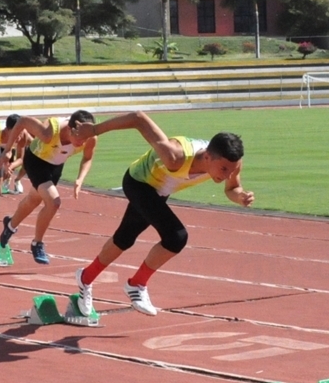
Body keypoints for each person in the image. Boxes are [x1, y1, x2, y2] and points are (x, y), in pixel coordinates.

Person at [69, 111, 253, 316]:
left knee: (124, 238)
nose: (227, 175)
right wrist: (94, 130)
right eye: (224, 169)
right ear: (208, 156)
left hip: (160, 191)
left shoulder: (230, 164)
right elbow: (138, 118)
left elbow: (231, 188)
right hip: (138, 182)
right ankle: (137, 284)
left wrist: (241, 197)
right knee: (176, 236)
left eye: (231, 170)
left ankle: (85, 278)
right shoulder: (175, 156)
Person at [0, 110, 97, 264]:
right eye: (80, 139)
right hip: (36, 161)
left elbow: (88, 158)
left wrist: (80, 179)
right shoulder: (50, 130)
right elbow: (22, 121)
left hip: (55, 165)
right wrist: (8, 150)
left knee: (33, 200)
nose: (83, 143)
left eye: (85, 139)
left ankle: (10, 225)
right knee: (53, 202)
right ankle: (37, 243)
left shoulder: (90, 137)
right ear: (71, 129)